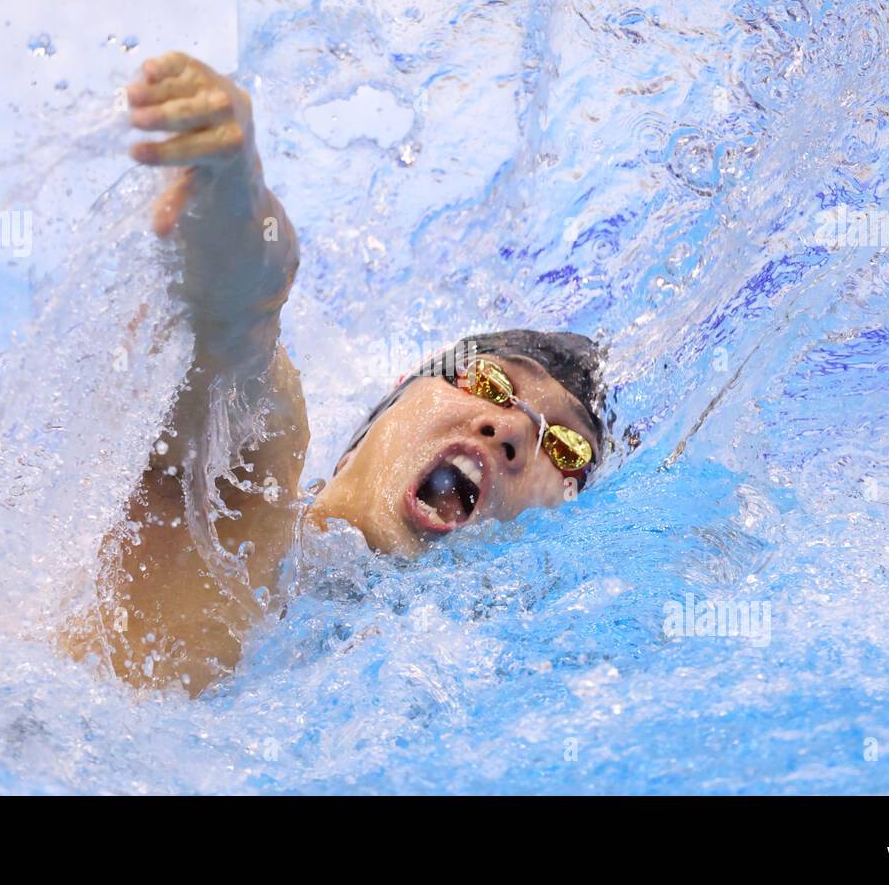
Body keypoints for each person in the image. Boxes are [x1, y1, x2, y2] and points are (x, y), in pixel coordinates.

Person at [63, 52, 607, 695]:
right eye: (489, 384)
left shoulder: (501, 691)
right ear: (389, 408)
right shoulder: (245, 505)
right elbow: (238, 323)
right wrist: (234, 187)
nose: (511, 425)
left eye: (563, 450)